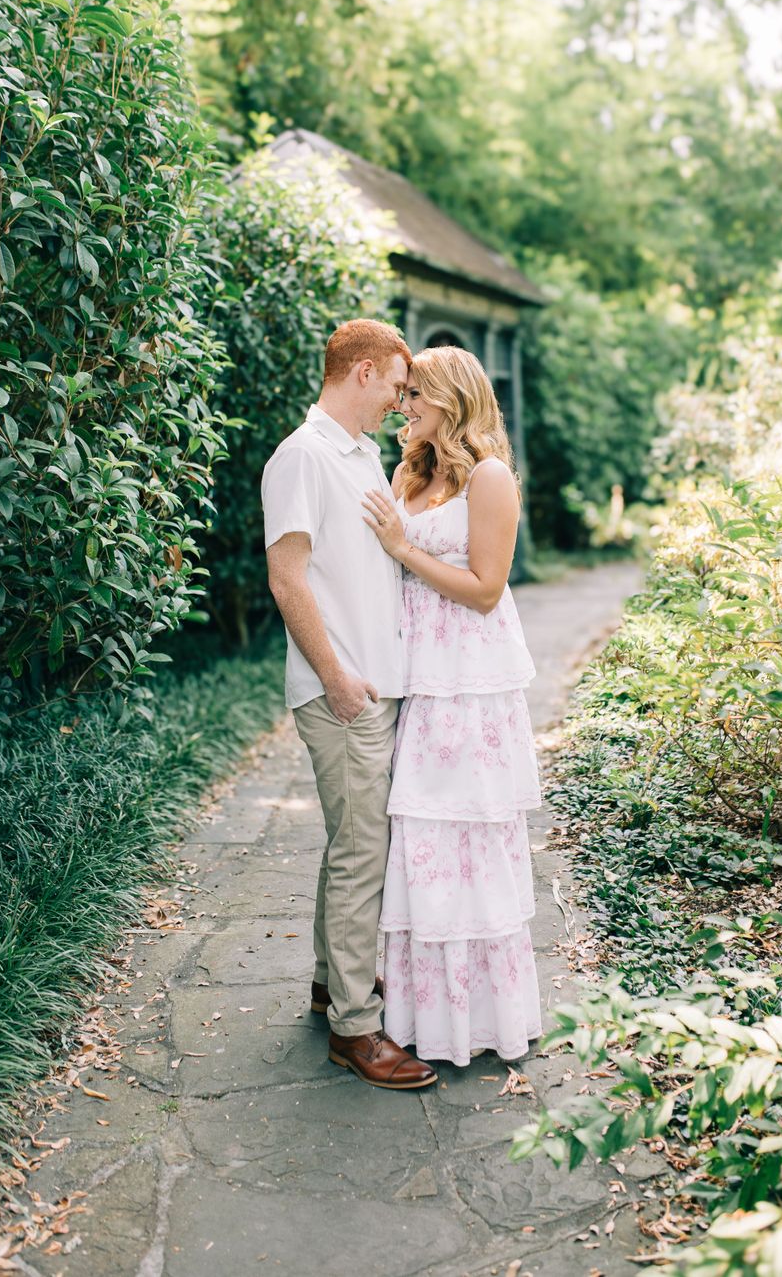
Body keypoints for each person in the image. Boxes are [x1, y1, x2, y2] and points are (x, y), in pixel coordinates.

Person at [262, 319, 437, 1091]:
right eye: (398, 387)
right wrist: (338, 680)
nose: (402, 403)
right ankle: (356, 1031)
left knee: (355, 844)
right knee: (365, 852)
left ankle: (332, 984)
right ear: (363, 372)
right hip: (345, 691)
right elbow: (288, 579)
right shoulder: (301, 458)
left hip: (375, 682)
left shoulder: (362, 455)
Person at [362, 345, 542, 1066]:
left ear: (450, 398)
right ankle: (420, 1015)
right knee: (421, 844)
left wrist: (404, 549)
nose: (404, 405)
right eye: (403, 396)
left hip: (470, 687)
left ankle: (479, 1019)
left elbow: (486, 589)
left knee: (467, 841)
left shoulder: (491, 478)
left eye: (415, 396)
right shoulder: (411, 470)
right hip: (417, 677)